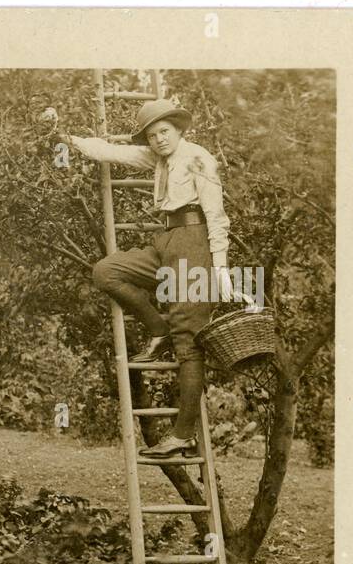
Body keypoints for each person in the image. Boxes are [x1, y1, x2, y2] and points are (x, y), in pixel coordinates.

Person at [64, 97, 233, 458]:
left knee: (189, 342)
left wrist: (220, 268)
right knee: (107, 271)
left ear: (179, 129)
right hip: (167, 241)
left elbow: (217, 216)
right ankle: (159, 329)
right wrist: (67, 138)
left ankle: (183, 434)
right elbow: (111, 153)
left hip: (195, 243)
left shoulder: (199, 158)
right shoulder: (158, 158)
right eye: (152, 135)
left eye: (164, 131)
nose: (158, 139)